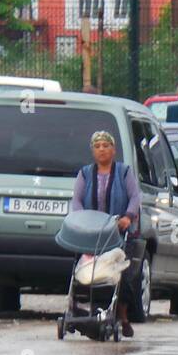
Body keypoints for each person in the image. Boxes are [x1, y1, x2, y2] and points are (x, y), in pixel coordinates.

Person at [71, 130, 141, 337]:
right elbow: (76, 199)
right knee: (85, 272)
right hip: (91, 233)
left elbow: (135, 197)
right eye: (97, 146)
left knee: (121, 275)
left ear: (113, 149)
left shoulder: (124, 172)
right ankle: (79, 309)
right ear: (93, 151)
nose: (102, 149)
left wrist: (128, 217)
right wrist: (80, 219)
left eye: (106, 146)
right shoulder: (85, 174)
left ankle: (123, 316)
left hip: (116, 233)